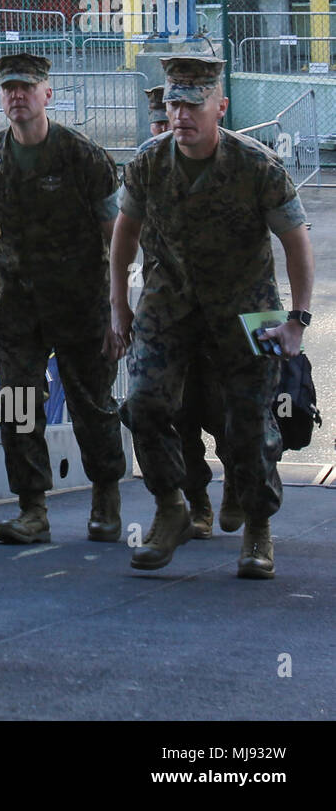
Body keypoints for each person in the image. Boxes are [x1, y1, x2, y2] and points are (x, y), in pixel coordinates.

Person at [110, 55, 313, 578]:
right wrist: (118, 307)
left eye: (194, 104)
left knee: (248, 422)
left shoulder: (256, 165)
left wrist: (297, 320)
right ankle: (172, 506)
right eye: (175, 102)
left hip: (248, 309)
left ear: (220, 107)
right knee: (145, 405)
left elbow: (297, 243)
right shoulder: (148, 162)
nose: (181, 114)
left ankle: (257, 529)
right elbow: (124, 237)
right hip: (169, 303)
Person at [0, 53, 126, 545]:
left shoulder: (82, 155)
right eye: (8, 88)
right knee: (17, 404)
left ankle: (106, 499)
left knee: (91, 403)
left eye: (26, 88)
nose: (16, 95)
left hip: (81, 305)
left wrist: (120, 308)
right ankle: (32, 508)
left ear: (47, 95)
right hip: (15, 306)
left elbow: (116, 235)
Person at [134, 85, 237, 539]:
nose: (164, 126)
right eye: (158, 119)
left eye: (170, 116)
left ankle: (238, 486)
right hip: (167, 312)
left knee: (222, 412)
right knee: (178, 418)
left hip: (218, 316)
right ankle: (196, 504)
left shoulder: (231, 164)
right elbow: (126, 233)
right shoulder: (148, 165)